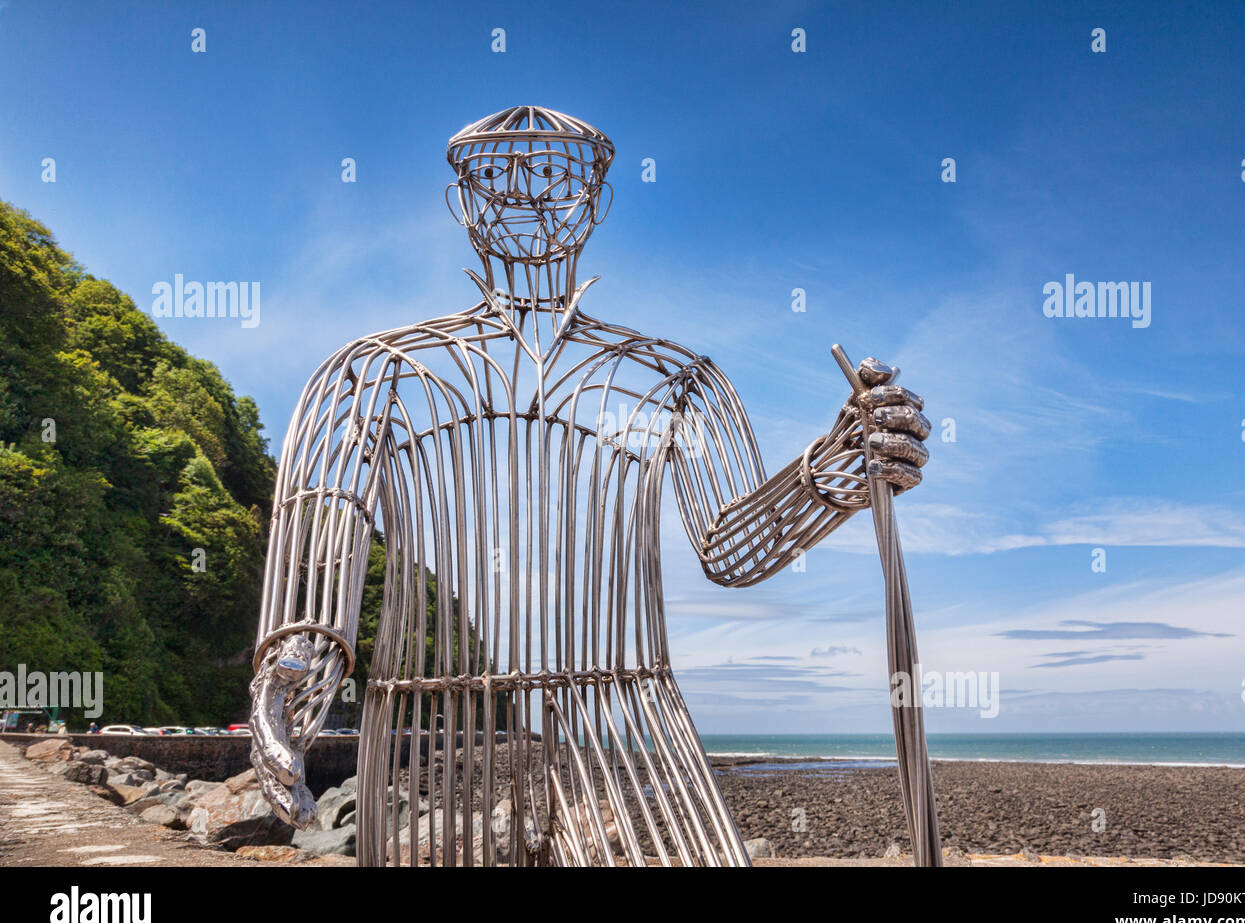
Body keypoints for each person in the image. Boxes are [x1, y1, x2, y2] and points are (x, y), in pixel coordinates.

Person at [249, 106, 930, 866]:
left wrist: (841, 462)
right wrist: (287, 695)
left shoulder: (673, 380)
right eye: (496, 175)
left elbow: (729, 549)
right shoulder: (376, 373)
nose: (526, 196)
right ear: (461, 200)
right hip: (427, 700)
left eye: (554, 176)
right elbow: (325, 529)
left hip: (635, 717)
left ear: (596, 200)